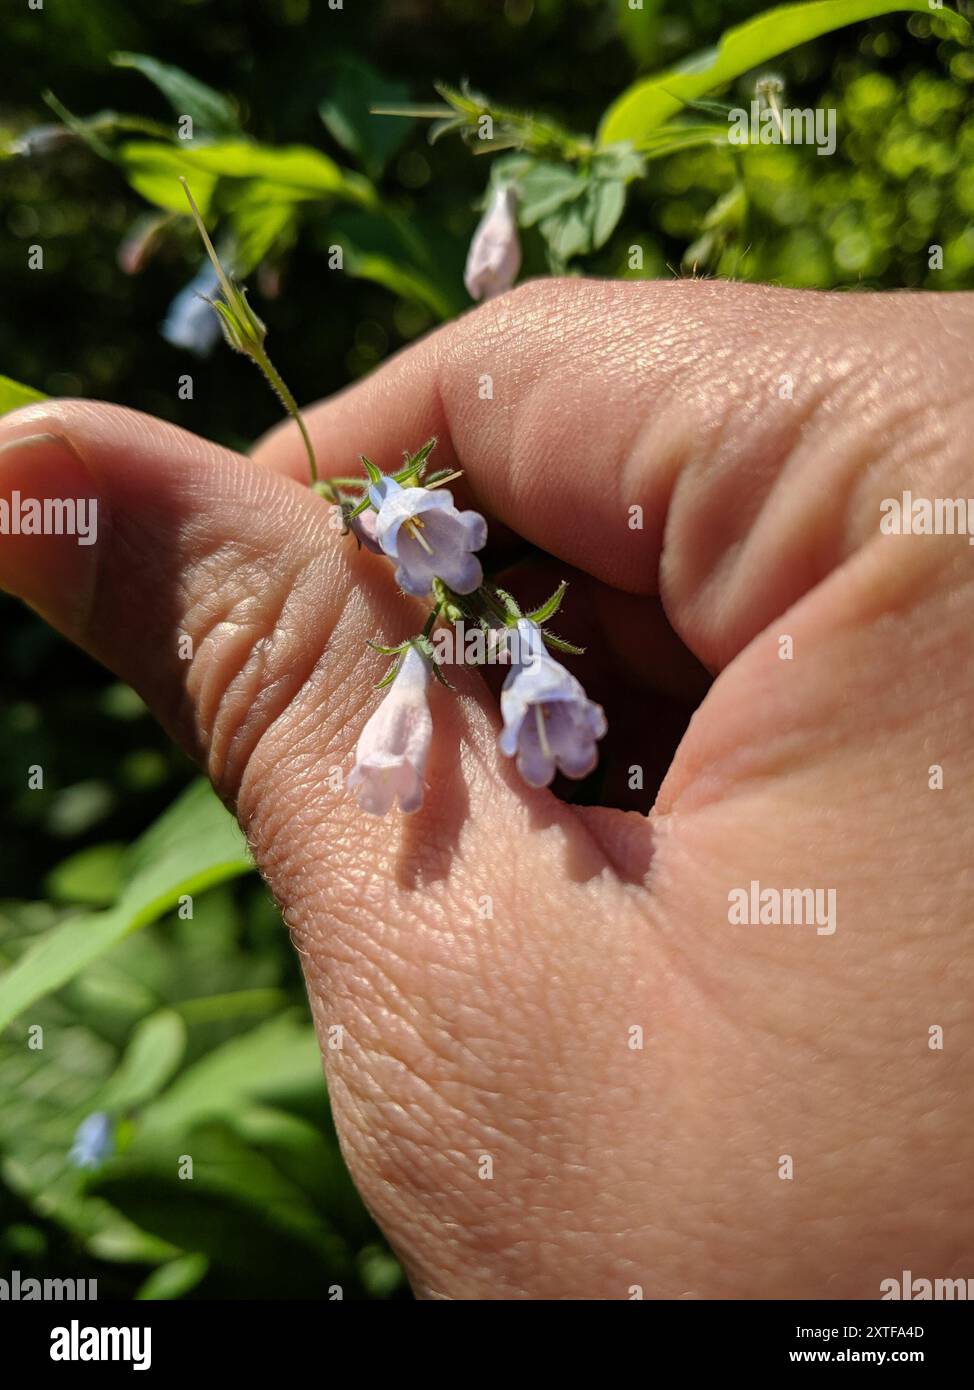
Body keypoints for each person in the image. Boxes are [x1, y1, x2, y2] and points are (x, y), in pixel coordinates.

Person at [1, 278, 972, 1299]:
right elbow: (436, 568)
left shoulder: (457, 580)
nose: (426, 542)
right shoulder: (441, 555)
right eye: (410, 529)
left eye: (426, 527)